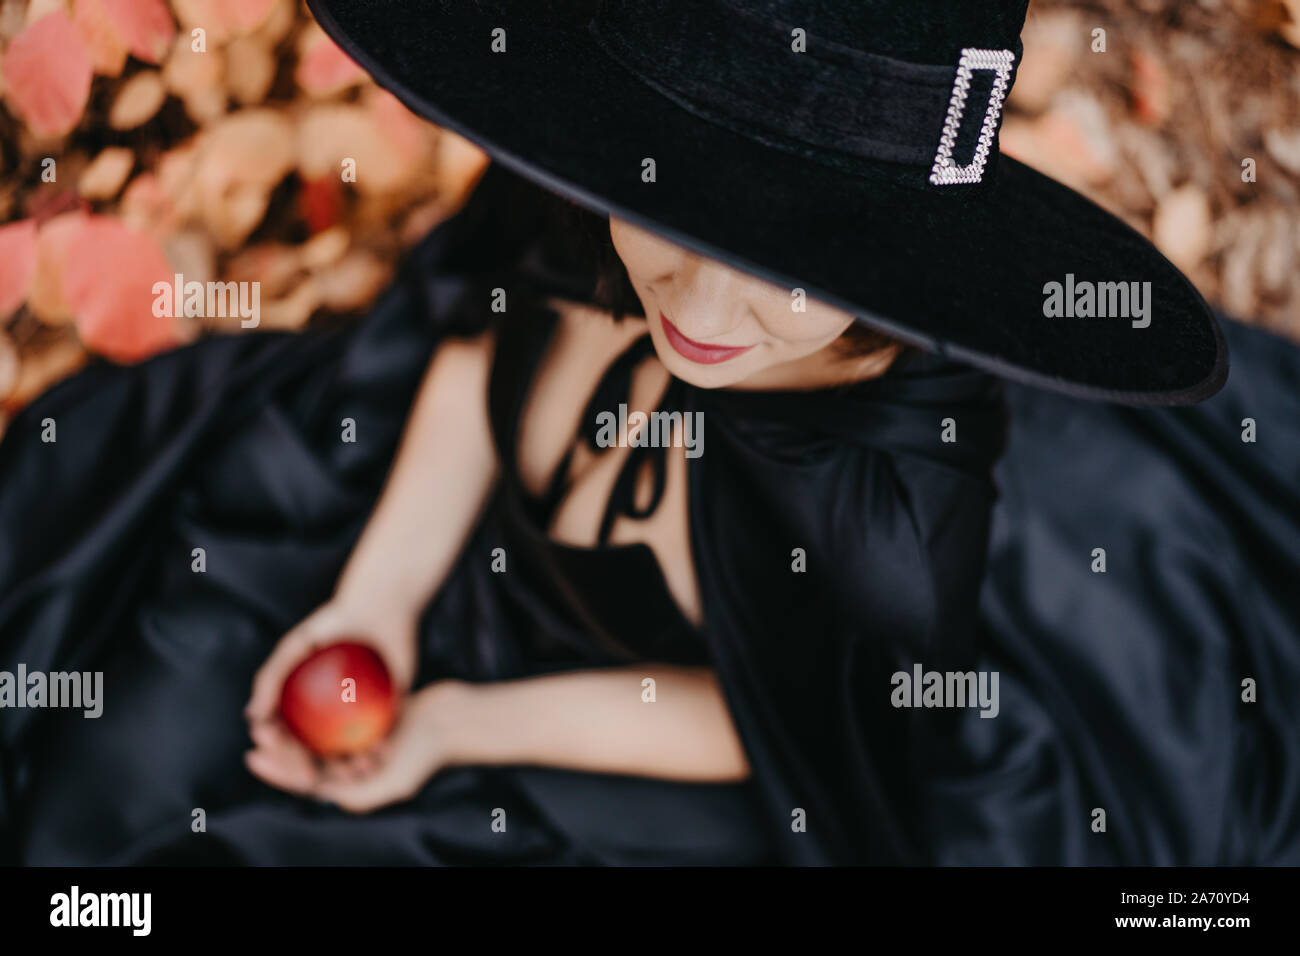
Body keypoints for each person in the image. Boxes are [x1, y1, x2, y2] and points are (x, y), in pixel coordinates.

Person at [1, 0, 1296, 866]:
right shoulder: (590, 206)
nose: (700, 307)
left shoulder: (880, 529)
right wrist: (376, 602)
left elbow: (760, 718)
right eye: (685, 226)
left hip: (617, 716)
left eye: (792, 268)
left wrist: (457, 728)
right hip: (436, 541)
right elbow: (476, 358)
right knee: (97, 787)